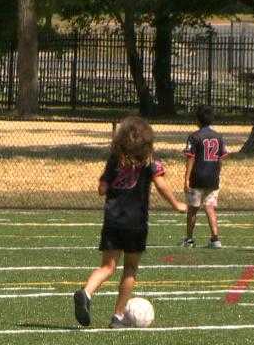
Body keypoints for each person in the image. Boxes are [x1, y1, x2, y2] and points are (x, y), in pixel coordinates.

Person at [73, 116, 187, 328]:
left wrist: (113, 185)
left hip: (113, 219)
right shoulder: (149, 160)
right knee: (130, 269)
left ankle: (86, 292)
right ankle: (117, 317)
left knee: (107, 266)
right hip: (136, 222)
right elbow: (161, 184)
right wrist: (176, 204)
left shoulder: (115, 159)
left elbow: (102, 189)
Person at [181, 104, 229, 248]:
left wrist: (186, 178)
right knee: (210, 207)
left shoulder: (194, 136)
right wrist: (217, 173)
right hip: (213, 177)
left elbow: (191, 157)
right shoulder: (218, 137)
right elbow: (221, 159)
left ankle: (189, 239)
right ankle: (215, 239)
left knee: (193, 209)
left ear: (198, 119)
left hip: (197, 177)